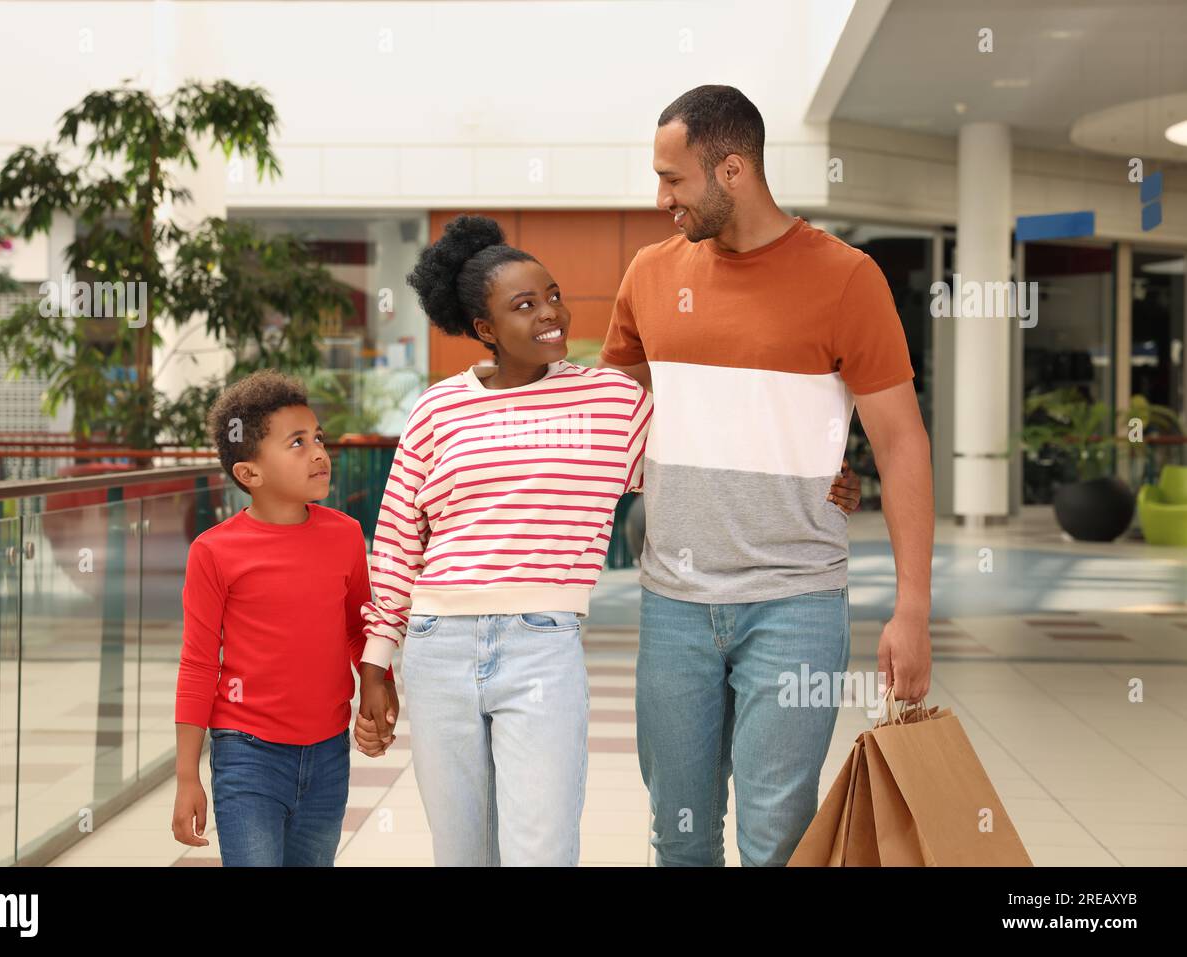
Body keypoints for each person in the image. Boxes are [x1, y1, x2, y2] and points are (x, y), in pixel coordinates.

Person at [356, 215, 862, 866]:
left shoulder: (612, 403)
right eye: (525, 305)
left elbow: (700, 458)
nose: (552, 314)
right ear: (484, 329)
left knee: (541, 849)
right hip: (435, 646)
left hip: (542, 646)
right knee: (461, 852)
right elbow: (398, 536)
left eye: (554, 295)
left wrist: (822, 476)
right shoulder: (438, 409)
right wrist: (377, 658)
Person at [598, 85, 934, 867]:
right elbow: (619, 413)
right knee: (678, 835)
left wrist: (911, 608)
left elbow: (902, 441)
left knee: (778, 839)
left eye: (674, 179)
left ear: (733, 171)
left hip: (796, 602)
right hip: (673, 601)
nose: (661, 199)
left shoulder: (848, 278)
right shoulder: (649, 275)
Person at [171, 370, 397, 866]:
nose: (319, 452)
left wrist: (379, 688)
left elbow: (359, 628)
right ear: (249, 473)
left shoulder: (344, 536)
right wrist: (188, 776)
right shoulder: (214, 552)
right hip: (246, 753)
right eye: (297, 443)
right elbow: (198, 665)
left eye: (318, 437)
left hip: (328, 753)